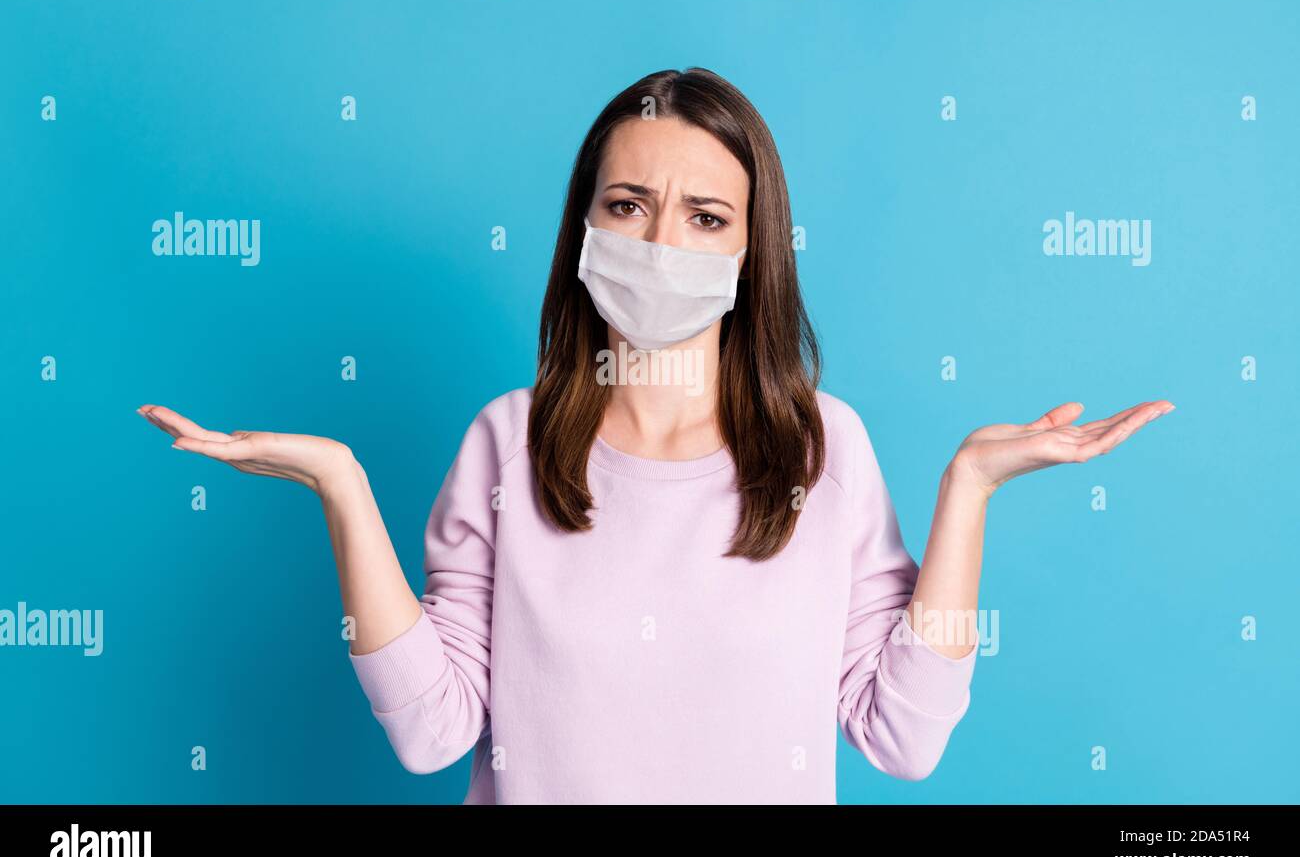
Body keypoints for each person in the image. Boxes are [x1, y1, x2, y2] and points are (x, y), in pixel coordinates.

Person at [138, 67, 1173, 804]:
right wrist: (342, 486)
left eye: (706, 216)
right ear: (584, 227)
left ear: (750, 248)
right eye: (628, 204)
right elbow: (431, 734)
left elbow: (900, 739)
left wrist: (971, 489)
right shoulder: (506, 443)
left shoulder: (824, 450)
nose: (662, 240)